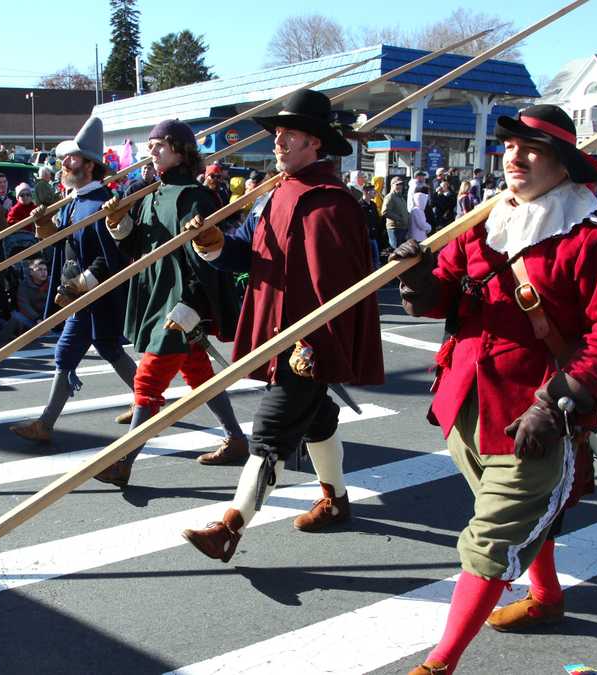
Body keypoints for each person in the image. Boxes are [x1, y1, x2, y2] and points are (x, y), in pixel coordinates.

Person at [392, 104, 597, 674]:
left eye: (533, 149)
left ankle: (439, 664)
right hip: (466, 406)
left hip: (533, 415)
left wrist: (557, 403)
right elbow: (445, 301)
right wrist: (415, 279)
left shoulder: (593, 239)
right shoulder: (483, 223)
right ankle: (548, 598)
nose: (515, 157)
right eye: (509, 147)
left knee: (491, 537)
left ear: (563, 164)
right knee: (520, 514)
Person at [179, 88, 384, 560]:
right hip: (277, 332)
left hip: (309, 342)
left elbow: (340, 289)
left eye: (289, 135)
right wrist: (210, 242)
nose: (278, 142)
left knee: (270, 429)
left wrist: (316, 342)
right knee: (317, 418)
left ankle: (230, 527)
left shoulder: (334, 204)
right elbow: (245, 255)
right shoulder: (274, 194)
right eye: (277, 134)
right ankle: (335, 502)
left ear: (315, 143)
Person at [93, 118, 248, 487]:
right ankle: (237, 439)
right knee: (198, 371)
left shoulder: (197, 197)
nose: (152, 151)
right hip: (156, 294)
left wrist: (191, 306)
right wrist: (118, 222)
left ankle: (124, 460)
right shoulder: (148, 194)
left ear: (180, 150)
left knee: (147, 380)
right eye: (150, 145)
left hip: (180, 301)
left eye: (159, 145)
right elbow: (137, 250)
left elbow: (206, 261)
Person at [8, 117, 139, 443]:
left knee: (83, 351)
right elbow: (60, 244)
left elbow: (110, 256)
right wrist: (43, 224)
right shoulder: (72, 202)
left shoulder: (101, 203)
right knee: (96, 350)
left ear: (91, 166)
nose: (65, 162)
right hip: (78, 295)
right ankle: (146, 400)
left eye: (73, 158)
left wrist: (80, 284)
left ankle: (46, 424)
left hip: (97, 294)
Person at [4, 182, 38, 259]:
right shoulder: (15, 209)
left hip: (35, 240)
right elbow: (10, 221)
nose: (25, 197)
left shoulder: (35, 207)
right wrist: (21, 224)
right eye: (22, 195)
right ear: (17, 198)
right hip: (20, 241)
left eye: (28, 194)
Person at [382, 176, 409, 250]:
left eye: (401, 184)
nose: (400, 186)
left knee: (402, 252)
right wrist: (399, 219)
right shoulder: (390, 197)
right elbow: (385, 211)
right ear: (392, 185)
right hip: (395, 229)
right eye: (397, 184)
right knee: (396, 251)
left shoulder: (401, 198)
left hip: (403, 228)